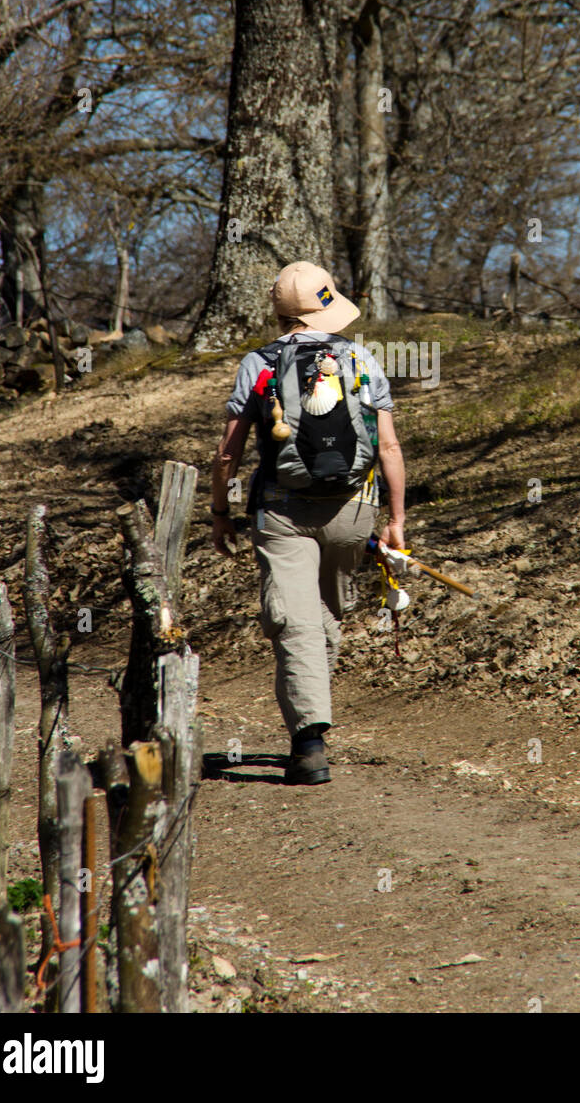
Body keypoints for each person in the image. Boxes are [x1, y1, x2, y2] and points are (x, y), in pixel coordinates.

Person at [211, 261, 406, 786]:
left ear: (279, 313)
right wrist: (396, 522)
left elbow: (226, 454)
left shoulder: (259, 364)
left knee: (296, 621)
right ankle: (313, 723)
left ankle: (308, 741)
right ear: (327, 306)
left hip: (283, 509)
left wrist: (220, 512)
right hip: (354, 508)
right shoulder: (361, 358)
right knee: (325, 615)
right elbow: (387, 446)